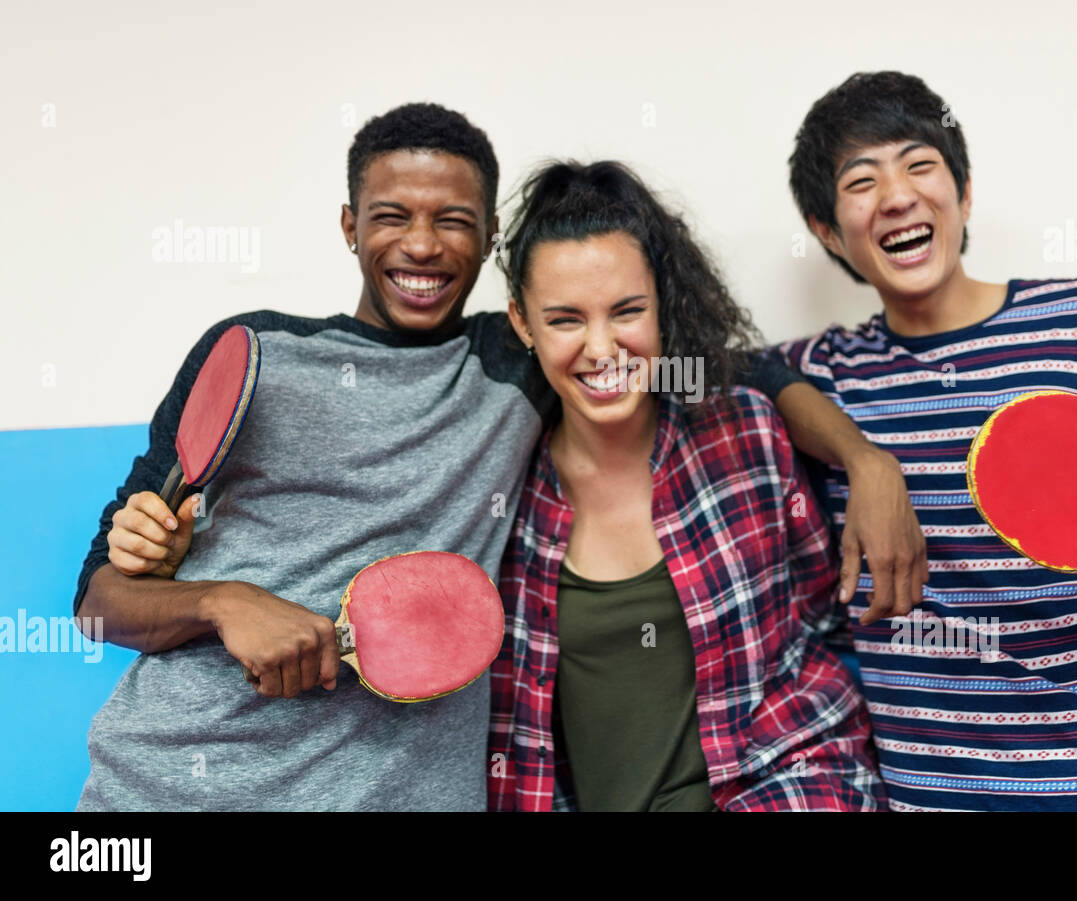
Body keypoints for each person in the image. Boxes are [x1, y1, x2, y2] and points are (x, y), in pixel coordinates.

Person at [81, 103, 920, 810]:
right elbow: (97, 600)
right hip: (169, 784)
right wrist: (220, 599)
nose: (420, 245)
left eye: (451, 220)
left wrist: (866, 459)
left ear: (485, 240)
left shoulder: (515, 366)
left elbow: (735, 364)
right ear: (348, 226)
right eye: (389, 216)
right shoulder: (254, 352)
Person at [769, 70, 1077, 810]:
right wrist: (866, 460)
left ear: (963, 193)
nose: (898, 195)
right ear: (826, 230)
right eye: (861, 181)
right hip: (943, 797)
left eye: (919, 164)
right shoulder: (826, 376)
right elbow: (716, 364)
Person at [488, 161, 884, 810]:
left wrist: (869, 461)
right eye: (564, 319)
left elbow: (823, 620)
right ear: (523, 324)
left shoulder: (745, 432)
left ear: (660, 306)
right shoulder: (504, 484)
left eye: (627, 311)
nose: (601, 347)